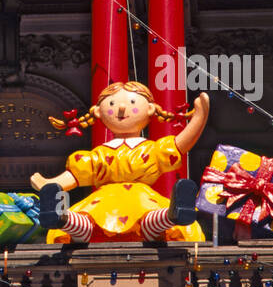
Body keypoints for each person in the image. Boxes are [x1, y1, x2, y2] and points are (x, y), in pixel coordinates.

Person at [31, 82, 208, 244]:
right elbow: (76, 175)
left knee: (148, 220)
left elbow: (180, 145)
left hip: (141, 198)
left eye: (132, 102)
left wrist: (199, 117)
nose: (122, 108)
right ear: (98, 111)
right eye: (112, 104)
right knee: (87, 223)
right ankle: (60, 217)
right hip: (102, 201)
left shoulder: (151, 149)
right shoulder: (98, 154)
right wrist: (50, 184)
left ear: (150, 109)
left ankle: (175, 213)